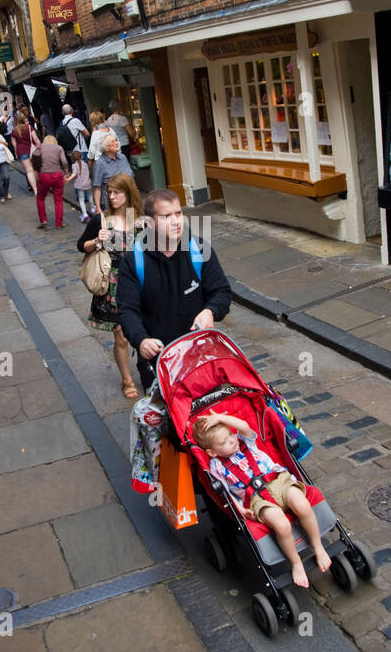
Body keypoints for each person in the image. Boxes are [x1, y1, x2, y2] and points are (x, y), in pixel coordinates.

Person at [192, 408, 331, 588]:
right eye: (224, 442)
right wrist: (240, 509)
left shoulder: (245, 442)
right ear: (211, 452)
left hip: (279, 482)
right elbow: (225, 491)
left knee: (303, 505)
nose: (231, 440)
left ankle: (318, 546)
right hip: (257, 500)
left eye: (229, 434)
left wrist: (219, 418)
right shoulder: (216, 466)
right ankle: (296, 562)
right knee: (282, 525)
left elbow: (243, 426)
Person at [116, 188, 232, 391]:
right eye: (166, 216)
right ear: (149, 223)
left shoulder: (200, 250)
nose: (176, 221)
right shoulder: (134, 261)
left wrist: (210, 311)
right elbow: (127, 310)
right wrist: (141, 340)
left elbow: (221, 292)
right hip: (157, 361)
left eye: (178, 213)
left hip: (200, 355)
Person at [77, 174, 143, 399]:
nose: (112, 197)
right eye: (110, 193)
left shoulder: (139, 219)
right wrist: (97, 242)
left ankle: (149, 372)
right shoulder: (101, 220)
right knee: (121, 336)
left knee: (146, 330)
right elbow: (80, 246)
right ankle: (127, 380)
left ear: (129, 193)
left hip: (138, 282)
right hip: (113, 283)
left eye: (117, 192)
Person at [34, 134, 72, 229]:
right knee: (58, 200)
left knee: (40, 198)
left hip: (44, 175)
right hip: (57, 175)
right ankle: (59, 223)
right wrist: (66, 173)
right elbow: (64, 162)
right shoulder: (59, 148)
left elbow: (34, 159)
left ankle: (43, 220)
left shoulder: (40, 147)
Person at [91, 134, 134, 215]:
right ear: (106, 149)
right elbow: (97, 188)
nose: (117, 143)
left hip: (129, 202)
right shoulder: (100, 164)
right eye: (113, 141)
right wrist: (98, 208)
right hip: (111, 205)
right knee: (113, 227)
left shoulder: (123, 158)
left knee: (131, 224)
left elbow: (131, 178)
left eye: (116, 140)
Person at [11, 110, 40, 194]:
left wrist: (17, 154)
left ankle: (35, 190)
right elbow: (35, 139)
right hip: (32, 150)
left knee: (29, 171)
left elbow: (14, 145)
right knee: (35, 170)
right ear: (23, 120)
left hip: (22, 152)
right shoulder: (29, 127)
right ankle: (37, 185)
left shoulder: (14, 131)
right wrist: (40, 146)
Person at [69, 150, 92, 221]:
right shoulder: (85, 164)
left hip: (80, 185)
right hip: (87, 183)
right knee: (90, 196)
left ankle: (85, 214)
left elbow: (74, 174)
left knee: (81, 200)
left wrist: (69, 178)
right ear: (81, 156)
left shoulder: (74, 165)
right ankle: (93, 208)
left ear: (72, 158)